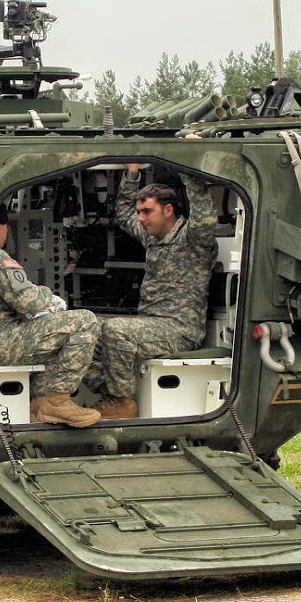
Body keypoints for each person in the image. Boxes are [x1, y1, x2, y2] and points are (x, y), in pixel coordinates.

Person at [94, 165, 218, 419]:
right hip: (150, 325)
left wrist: (190, 168)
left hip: (180, 330)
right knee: (84, 327)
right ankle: (111, 392)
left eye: (147, 211)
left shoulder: (193, 239)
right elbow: (124, 215)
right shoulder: (153, 236)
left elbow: (204, 216)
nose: (141, 218)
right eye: (140, 212)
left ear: (168, 210)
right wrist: (131, 174)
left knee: (117, 331)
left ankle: (121, 402)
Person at [0, 207, 102, 428]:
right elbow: (27, 301)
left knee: (53, 338)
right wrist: (49, 297)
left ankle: (39, 404)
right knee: (84, 322)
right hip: (2, 343)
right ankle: (57, 402)